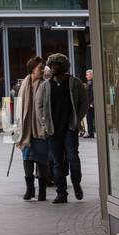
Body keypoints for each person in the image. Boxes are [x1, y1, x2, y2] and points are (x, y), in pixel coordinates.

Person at [35, 53, 88, 203]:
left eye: (55, 65)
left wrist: (77, 119)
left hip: (69, 128)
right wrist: (44, 124)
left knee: (73, 157)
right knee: (57, 161)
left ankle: (76, 183)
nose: (52, 68)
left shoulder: (75, 83)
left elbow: (84, 102)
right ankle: (61, 193)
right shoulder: (45, 86)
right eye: (50, 65)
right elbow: (38, 106)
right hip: (53, 130)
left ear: (63, 66)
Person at [15, 57, 52, 201]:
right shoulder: (24, 84)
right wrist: (17, 129)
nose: (42, 70)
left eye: (43, 67)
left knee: (42, 159)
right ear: (32, 69)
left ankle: (42, 190)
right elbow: (19, 107)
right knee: (27, 158)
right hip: (26, 129)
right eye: (40, 68)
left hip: (40, 128)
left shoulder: (45, 84)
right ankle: (30, 188)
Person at [84, 69, 96, 138]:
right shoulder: (88, 83)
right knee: (89, 118)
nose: (86, 76)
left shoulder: (93, 83)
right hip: (89, 104)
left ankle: (92, 132)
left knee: (92, 118)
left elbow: (93, 94)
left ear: (91, 75)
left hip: (92, 104)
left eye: (87, 75)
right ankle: (90, 133)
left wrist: (92, 103)